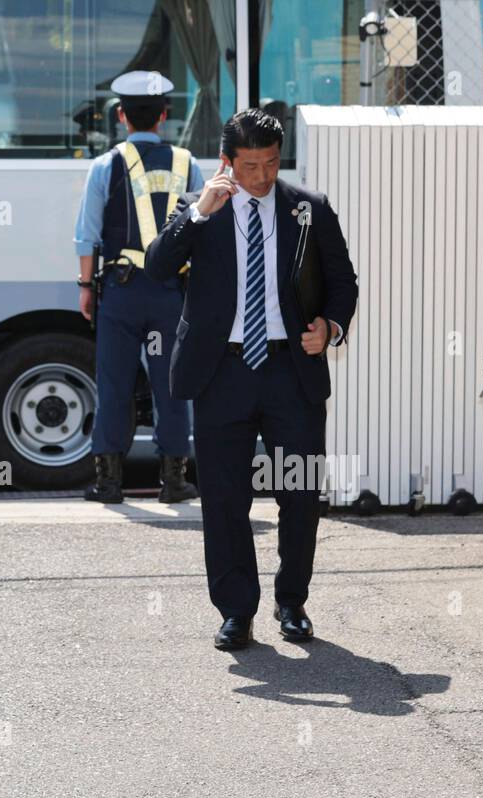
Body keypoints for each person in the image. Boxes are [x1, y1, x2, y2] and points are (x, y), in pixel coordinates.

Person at [144, 109, 358, 650]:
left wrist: (330, 328)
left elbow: (343, 282)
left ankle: (293, 602)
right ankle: (236, 611)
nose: (260, 177)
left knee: (300, 492)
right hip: (222, 372)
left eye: (269, 164)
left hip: (292, 370)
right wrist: (195, 214)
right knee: (223, 498)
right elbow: (156, 267)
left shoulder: (310, 209)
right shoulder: (202, 208)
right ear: (226, 162)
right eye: (249, 166)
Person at [74, 71, 204, 504]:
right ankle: (174, 480)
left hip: (121, 291)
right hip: (171, 294)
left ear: (122, 117)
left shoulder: (105, 165)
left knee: (113, 383)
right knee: (171, 383)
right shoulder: (188, 165)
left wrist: (85, 287)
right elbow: (206, 231)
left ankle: (109, 483)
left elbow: (86, 234)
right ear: (164, 116)